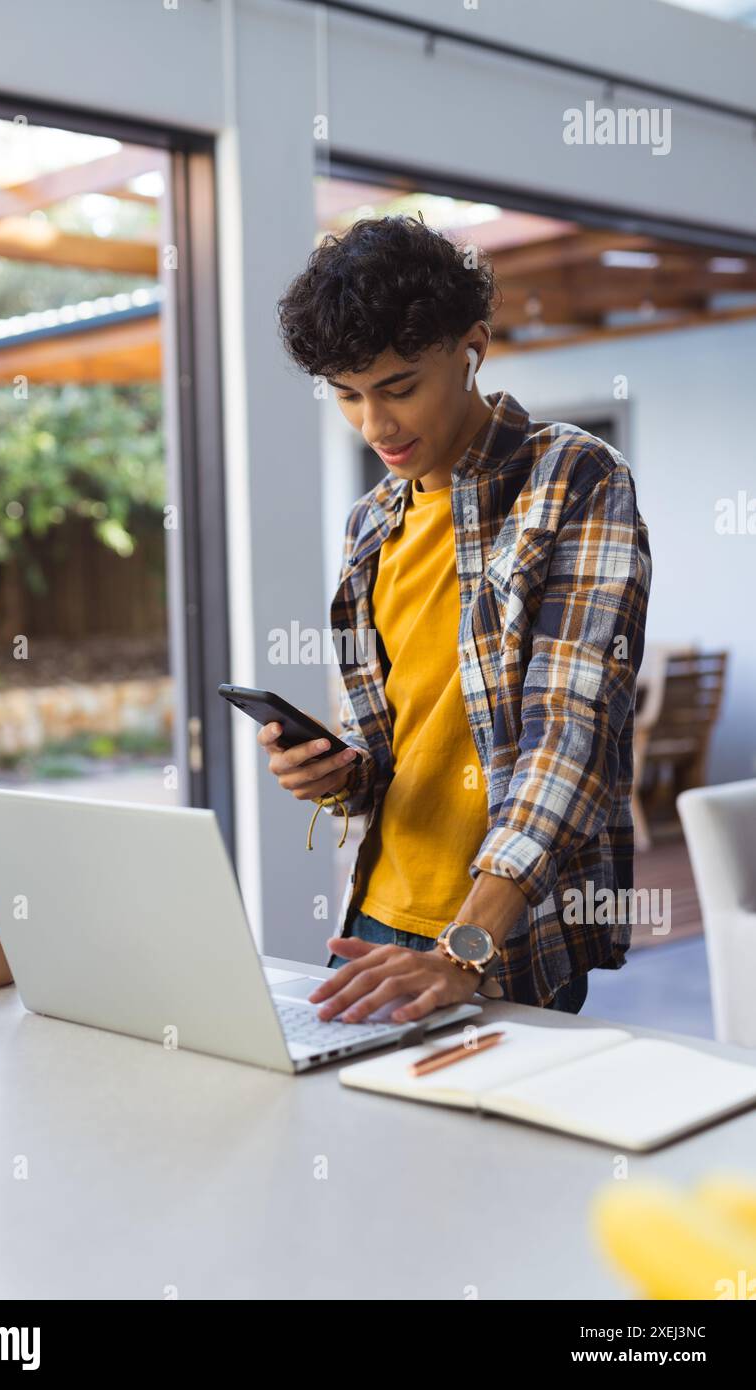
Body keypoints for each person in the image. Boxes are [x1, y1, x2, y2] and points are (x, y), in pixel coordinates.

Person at [260, 214, 651, 1025]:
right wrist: (336, 775)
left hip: (499, 940)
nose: (377, 426)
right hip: (374, 925)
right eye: (348, 396)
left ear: (470, 347)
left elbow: (567, 736)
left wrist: (463, 950)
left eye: (400, 387)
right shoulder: (370, 525)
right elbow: (404, 745)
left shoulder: (570, 477)